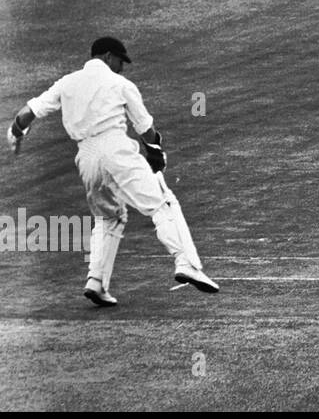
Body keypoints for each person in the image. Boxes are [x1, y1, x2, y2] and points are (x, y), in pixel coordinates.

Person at [7, 37, 219, 306]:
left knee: (109, 218)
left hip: (86, 158)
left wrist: (16, 132)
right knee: (163, 203)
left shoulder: (67, 83)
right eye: (120, 61)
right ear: (108, 56)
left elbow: (29, 112)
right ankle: (186, 263)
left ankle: (96, 282)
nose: (122, 67)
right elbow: (145, 129)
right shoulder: (120, 84)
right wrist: (156, 152)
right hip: (115, 149)